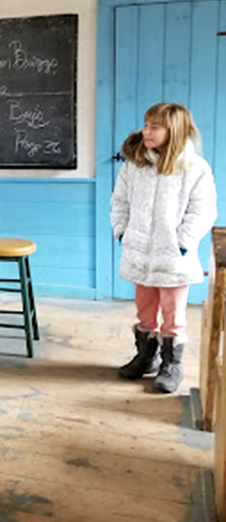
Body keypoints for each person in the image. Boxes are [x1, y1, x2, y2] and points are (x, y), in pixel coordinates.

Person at [110, 102, 217, 393]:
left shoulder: (195, 169)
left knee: (173, 314)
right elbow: (119, 201)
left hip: (173, 257)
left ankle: (172, 364)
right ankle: (146, 357)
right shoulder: (136, 164)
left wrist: (182, 243)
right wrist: (123, 233)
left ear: (174, 130)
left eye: (154, 126)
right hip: (139, 253)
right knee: (145, 310)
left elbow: (204, 211)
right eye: (145, 124)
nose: (146, 131)